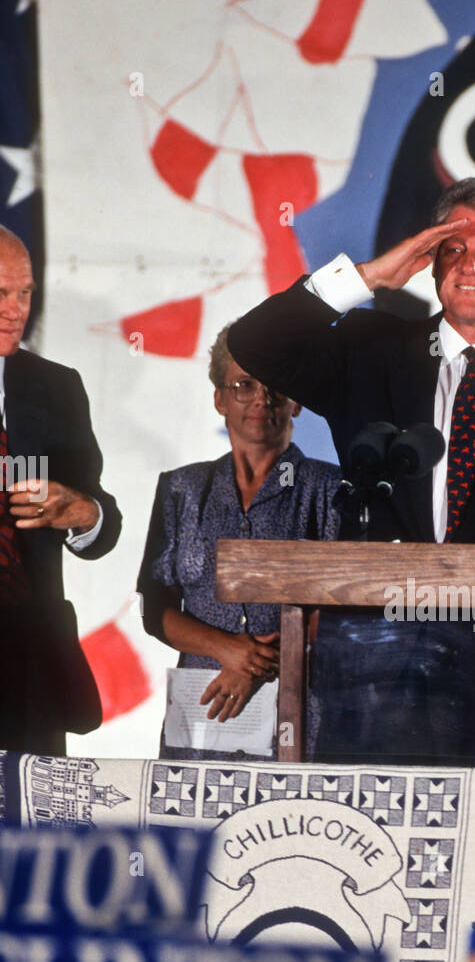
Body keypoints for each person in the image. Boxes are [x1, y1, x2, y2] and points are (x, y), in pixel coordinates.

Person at [228, 177, 475, 767]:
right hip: (367, 670)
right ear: (431, 260)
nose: (469, 266)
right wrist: (365, 278)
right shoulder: (369, 349)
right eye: (453, 249)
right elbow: (256, 343)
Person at [137, 324, 342, 760]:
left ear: (297, 400)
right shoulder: (182, 489)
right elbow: (156, 611)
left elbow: (343, 613)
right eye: (244, 385)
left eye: (276, 385)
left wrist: (255, 667)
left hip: (300, 715)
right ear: (220, 399)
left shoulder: (331, 489)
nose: (261, 399)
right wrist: (229, 651)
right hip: (200, 716)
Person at [0, 226, 121, 755]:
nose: (16, 309)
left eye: (25, 293)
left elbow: (102, 518)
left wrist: (80, 511)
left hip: (30, 675)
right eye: (0, 293)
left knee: (28, 835)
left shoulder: (55, 388)